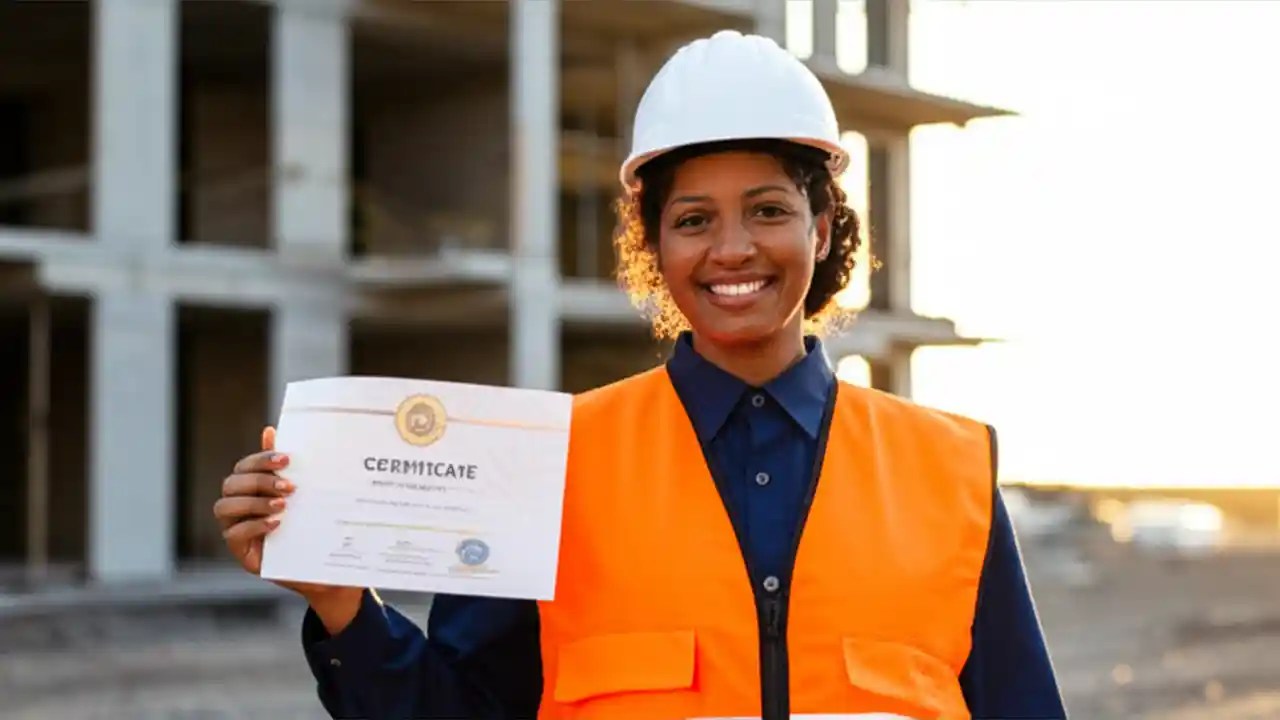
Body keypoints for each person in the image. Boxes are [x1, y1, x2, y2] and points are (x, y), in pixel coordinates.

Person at [214, 30, 1066, 720]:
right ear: (654, 247)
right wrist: (339, 601)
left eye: (768, 210)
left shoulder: (949, 468)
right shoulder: (551, 463)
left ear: (823, 227)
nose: (733, 249)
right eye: (694, 219)